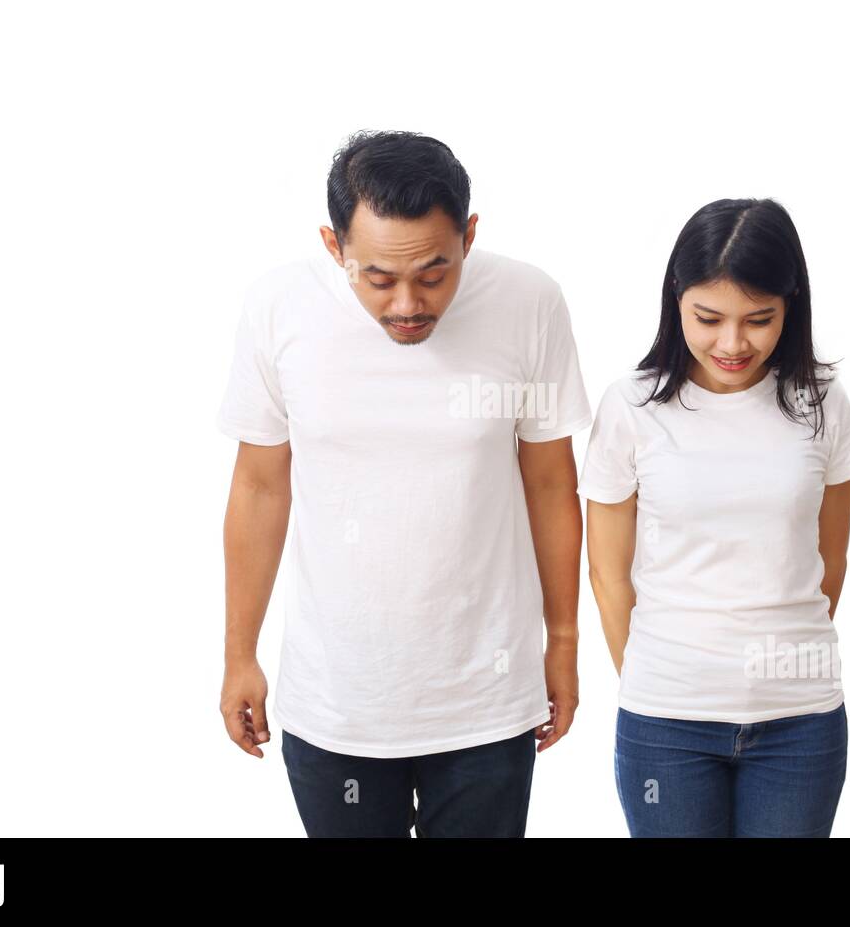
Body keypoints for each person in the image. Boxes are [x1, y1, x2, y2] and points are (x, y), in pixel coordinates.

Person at [216, 130, 592, 837]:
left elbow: (549, 485)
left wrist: (564, 643)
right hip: (337, 704)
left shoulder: (529, 301)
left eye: (434, 272)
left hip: (486, 700)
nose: (407, 305)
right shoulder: (278, 307)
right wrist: (240, 654)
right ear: (335, 247)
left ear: (469, 235)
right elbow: (260, 489)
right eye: (379, 279)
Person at [579, 198, 850, 837]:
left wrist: (783, 658)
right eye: (708, 318)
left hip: (800, 722)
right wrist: (660, 680)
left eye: (759, 320)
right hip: (665, 721)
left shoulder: (820, 401)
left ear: (790, 306)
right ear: (676, 299)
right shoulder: (630, 407)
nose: (733, 343)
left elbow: (832, 559)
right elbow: (608, 575)